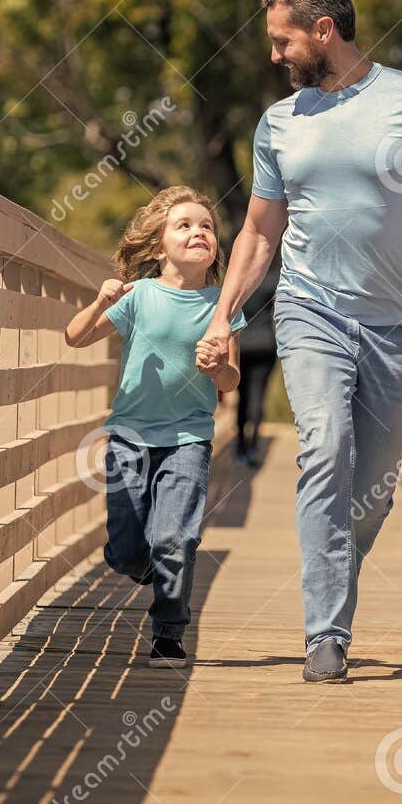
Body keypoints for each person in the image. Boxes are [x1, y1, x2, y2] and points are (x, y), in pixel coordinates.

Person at [199, 0, 402, 683]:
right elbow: (261, 234)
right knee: (324, 447)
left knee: (375, 485)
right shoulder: (280, 125)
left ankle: (336, 573)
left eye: (282, 40)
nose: (274, 56)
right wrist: (224, 314)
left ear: (324, 31)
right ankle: (325, 633)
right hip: (309, 308)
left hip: (394, 324)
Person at [65, 186, 247, 669]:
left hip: (189, 437)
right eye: (183, 225)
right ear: (157, 246)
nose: (198, 232)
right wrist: (100, 301)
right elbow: (76, 337)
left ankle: (168, 632)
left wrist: (216, 371)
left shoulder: (222, 307)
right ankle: (148, 567)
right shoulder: (139, 296)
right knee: (126, 552)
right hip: (129, 438)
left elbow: (232, 378)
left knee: (175, 538)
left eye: (206, 226)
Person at [234, 259, 280, 467]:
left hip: (241, 346)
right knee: (258, 396)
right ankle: (253, 446)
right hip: (265, 344)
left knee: (242, 398)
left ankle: (240, 447)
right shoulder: (272, 280)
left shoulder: (237, 281)